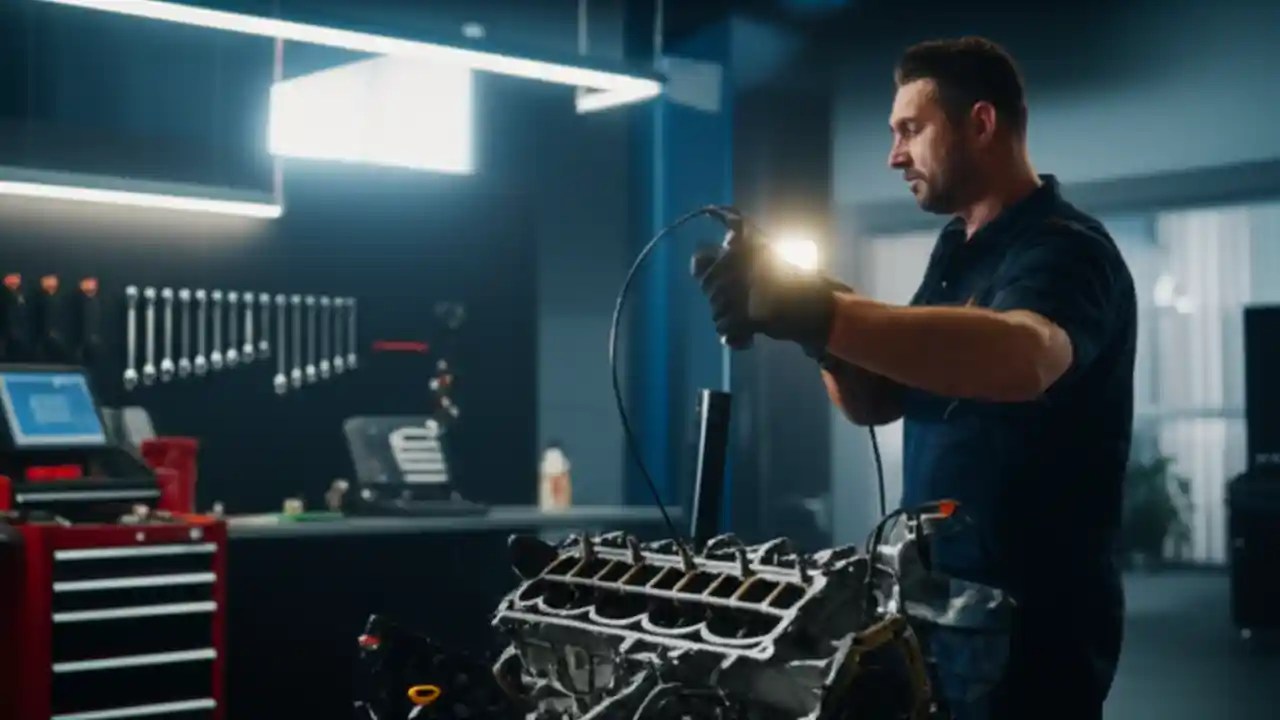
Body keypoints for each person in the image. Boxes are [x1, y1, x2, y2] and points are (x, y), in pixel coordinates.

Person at [692, 37, 1135, 719]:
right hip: (936, 604)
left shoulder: (1066, 249)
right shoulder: (957, 250)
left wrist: (824, 311)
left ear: (981, 123)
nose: (894, 155)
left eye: (910, 129)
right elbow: (877, 401)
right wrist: (817, 328)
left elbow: (1024, 357)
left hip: (1031, 624)